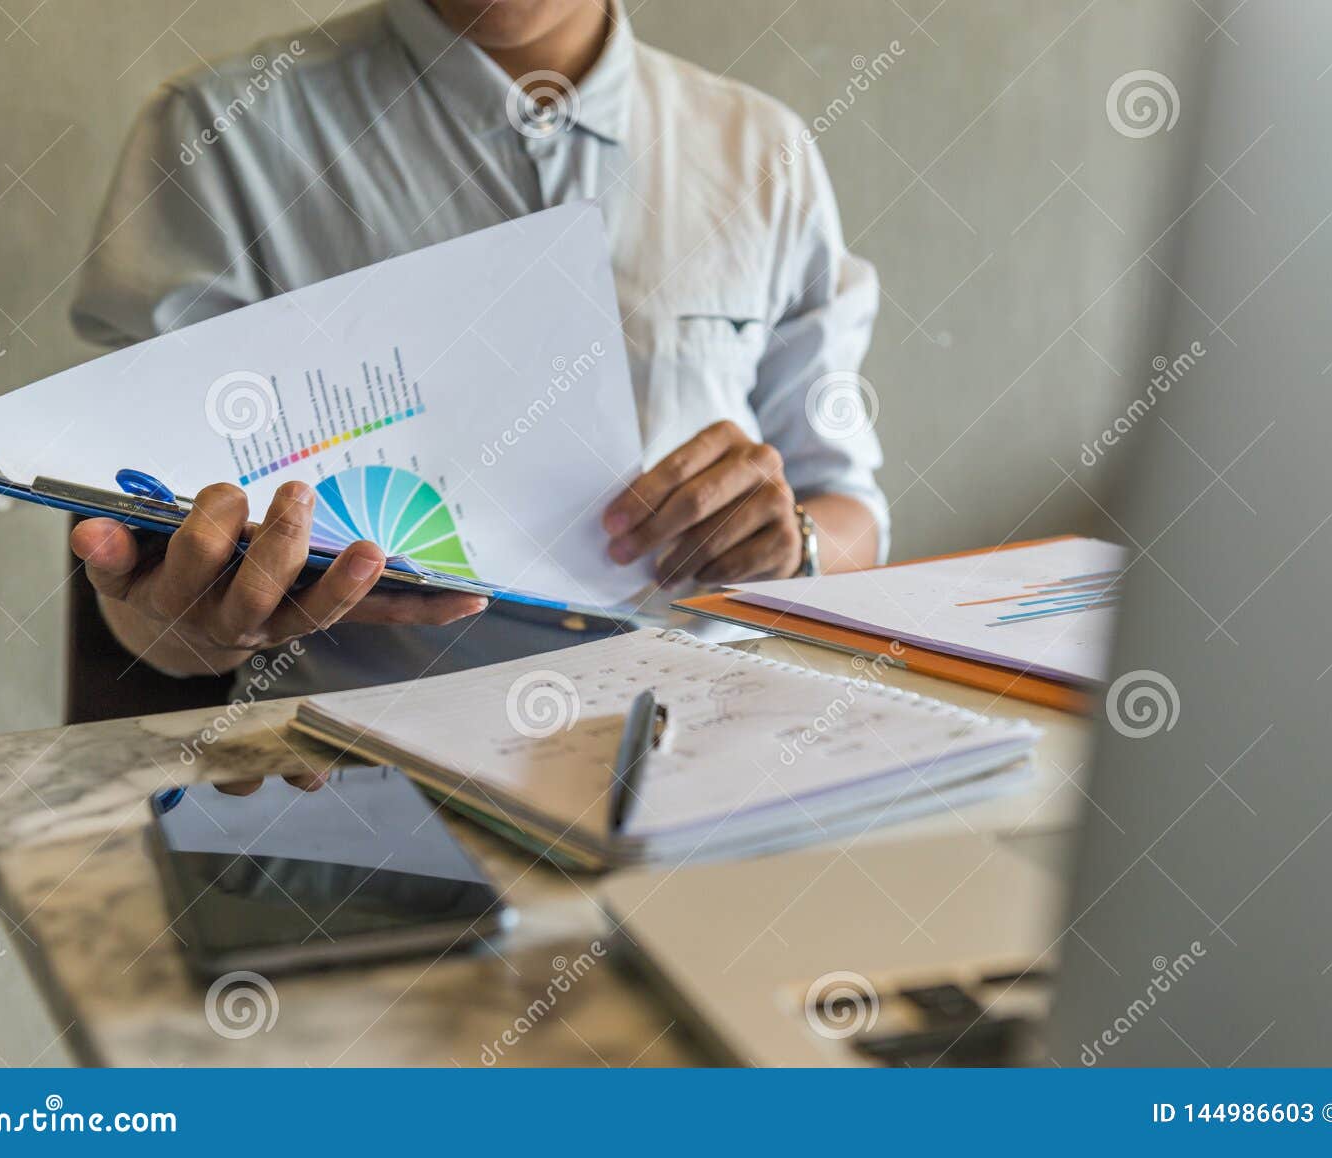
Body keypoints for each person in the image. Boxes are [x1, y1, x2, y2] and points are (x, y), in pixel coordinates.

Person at [68, 0, 888, 695]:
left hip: (708, 759)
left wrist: (798, 545)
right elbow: (143, 585)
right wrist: (201, 627)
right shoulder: (225, 135)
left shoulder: (761, 153)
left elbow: (851, 510)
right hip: (364, 796)